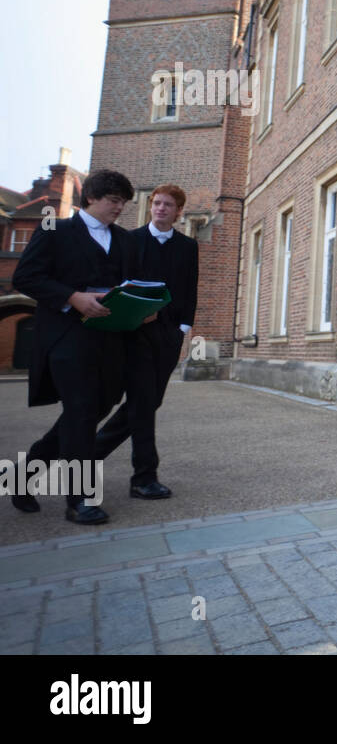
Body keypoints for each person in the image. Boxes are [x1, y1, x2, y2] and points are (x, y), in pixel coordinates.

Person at [10, 169, 137, 523]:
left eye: (124, 203)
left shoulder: (125, 240)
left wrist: (142, 307)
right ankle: (79, 501)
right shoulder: (56, 231)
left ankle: (22, 476)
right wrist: (72, 297)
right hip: (68, 339)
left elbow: (129, 284)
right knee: (80, 413)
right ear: (91, 198)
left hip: (112, 339)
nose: (119, 208)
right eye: (114, 201)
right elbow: (26, 277)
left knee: (95, 409)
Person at [92, 184, 198, 500]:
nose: (160, 209)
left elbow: (189, 288)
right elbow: (118, 286)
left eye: (168, 205)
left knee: (149, 402)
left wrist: (182, 327)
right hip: (134, 332)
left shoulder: (188, 246)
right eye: (156, 203)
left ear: (179, 211)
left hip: (168, 335)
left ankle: (89, 454)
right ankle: (144, 476)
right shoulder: (129, 240)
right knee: (142, 401)